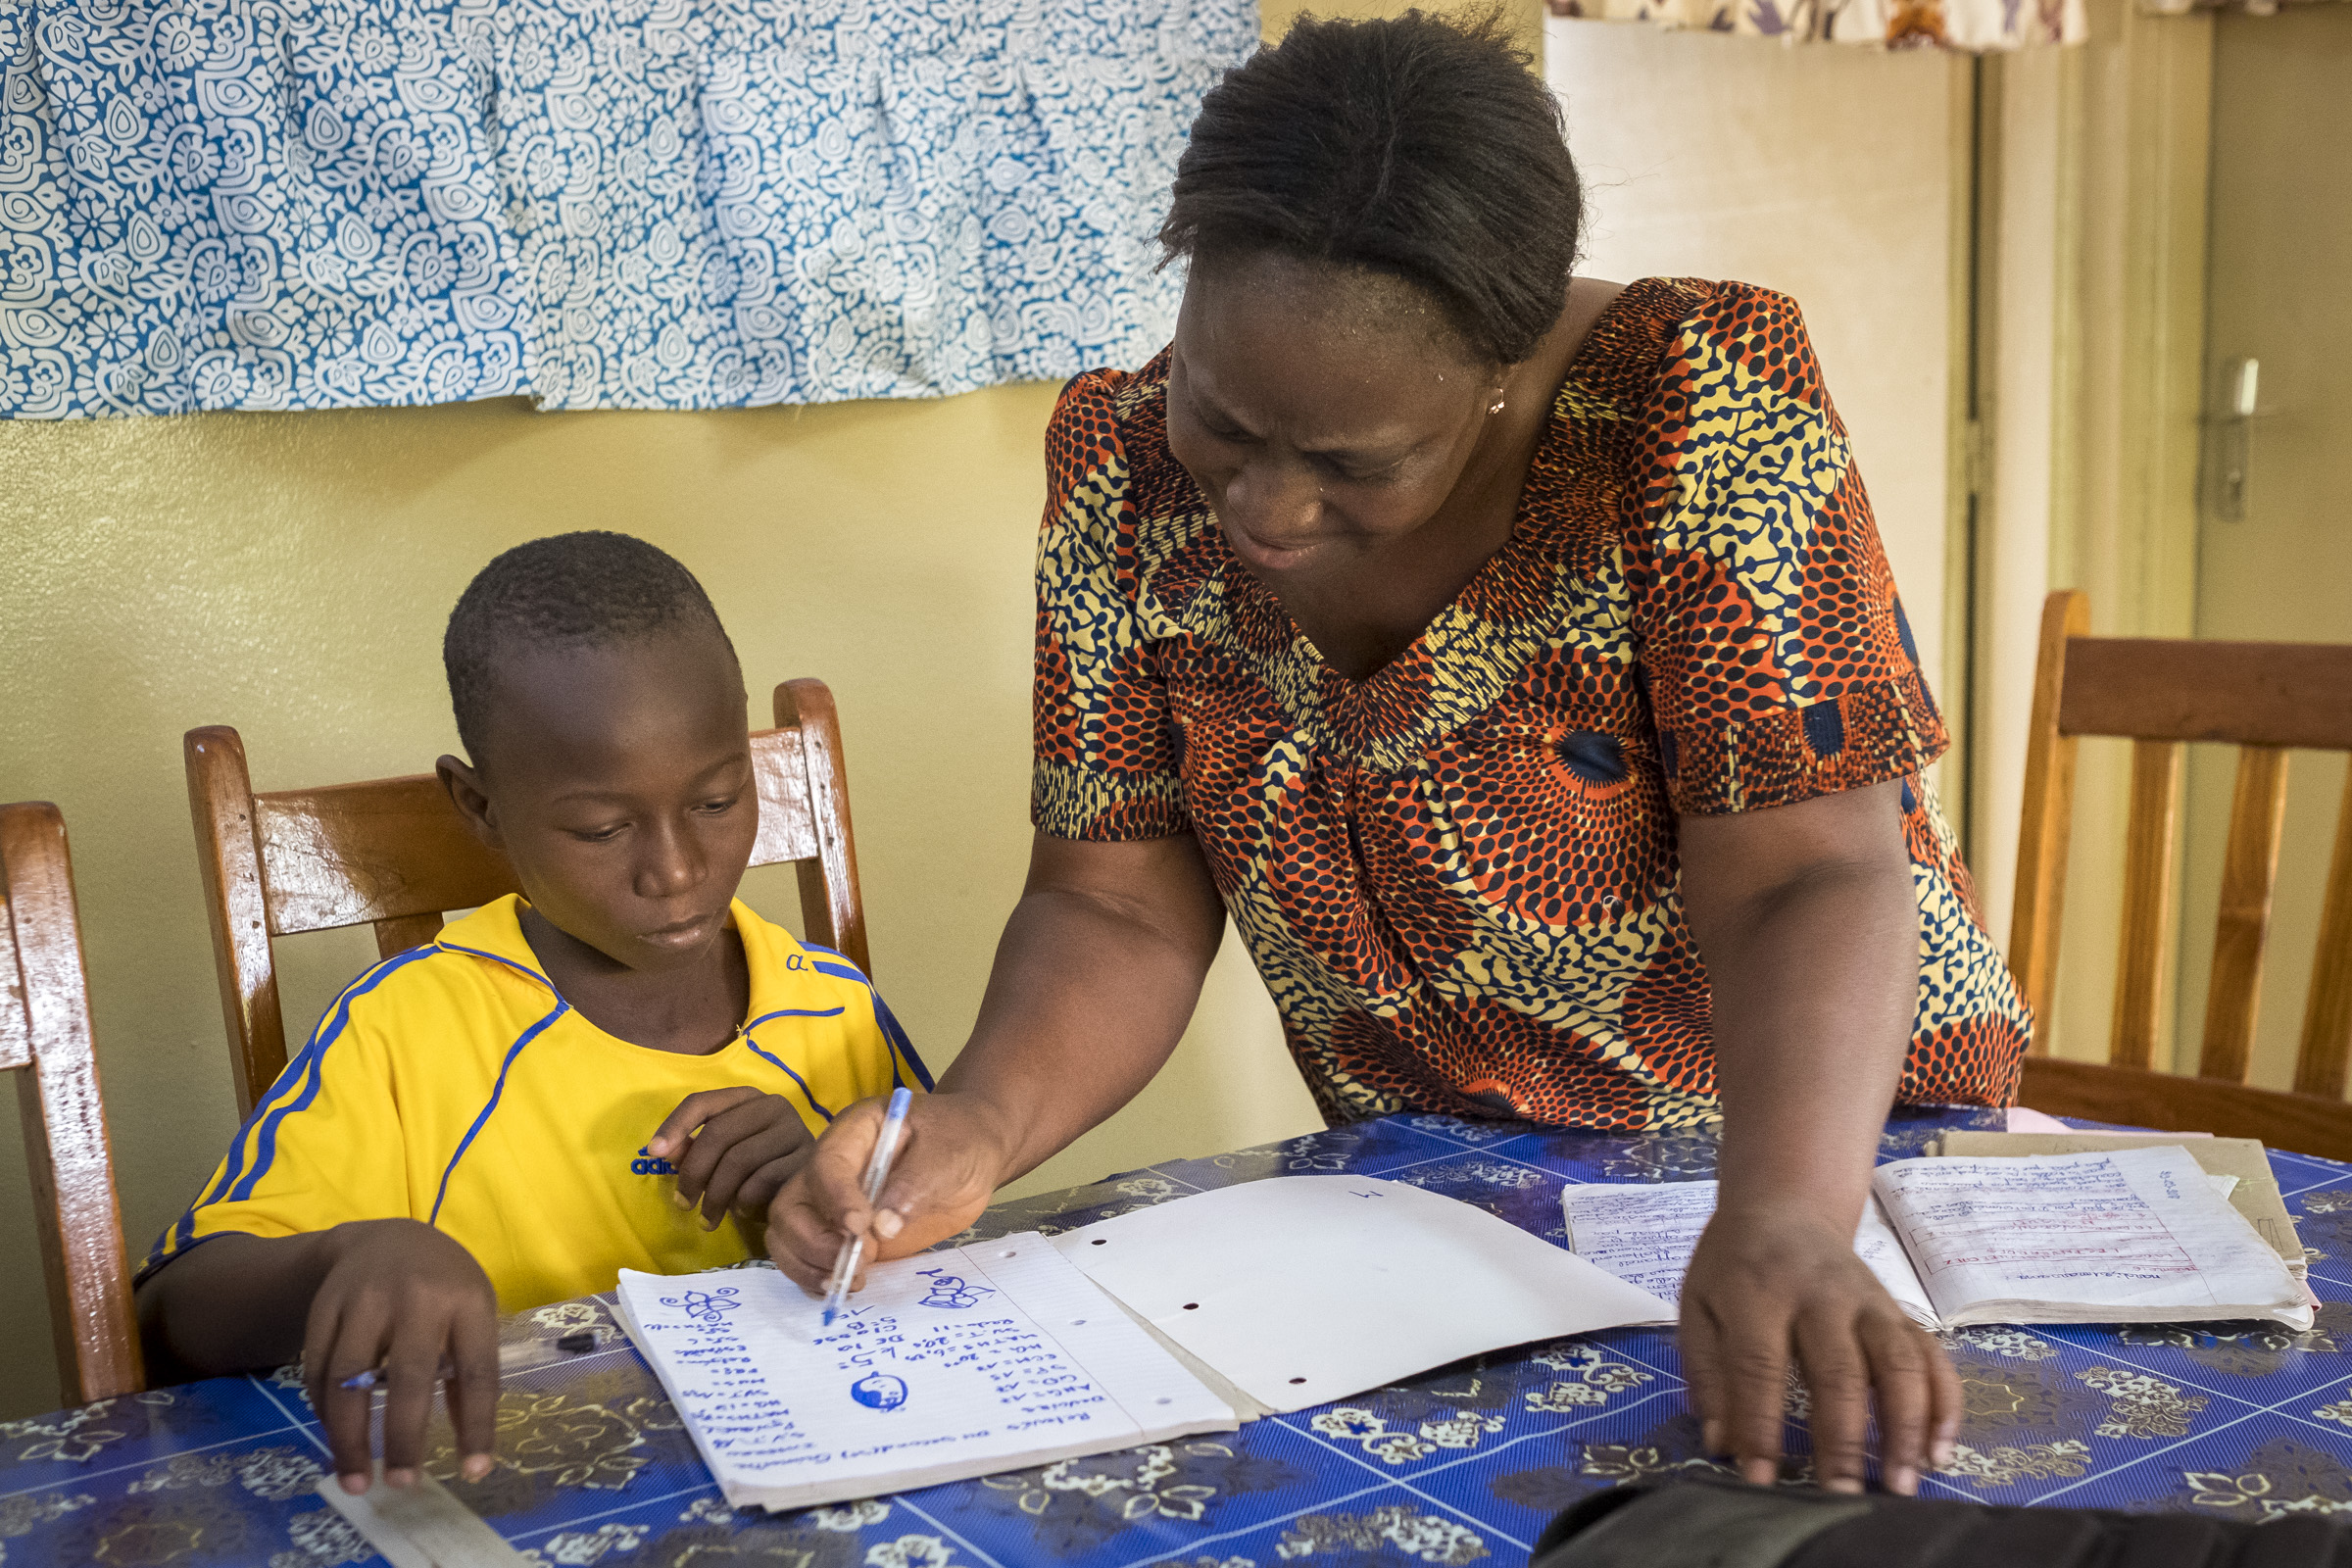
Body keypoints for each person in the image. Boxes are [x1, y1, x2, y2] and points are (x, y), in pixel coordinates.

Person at [766, 11, 2032, 1497]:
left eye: (1356, 465)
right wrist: (978, 1118)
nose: (1267, 511)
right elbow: (1111, 902)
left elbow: (1807, 876)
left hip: (1827, 1166)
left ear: (1503, 365)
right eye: (1222, 422)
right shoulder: (1115, 463)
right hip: (1443, 1206)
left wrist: (1792, 1215)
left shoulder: (1693, 398)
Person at [136, 531, 927, 1496]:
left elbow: (947, 1263)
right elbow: (169, 1320)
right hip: (520, 1498)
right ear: (477, 806)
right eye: (601, 828)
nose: (676, 869)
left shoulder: (834, 1008)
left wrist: (827, 1189)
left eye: (719, 800)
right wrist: (347, 1256)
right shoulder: (406, 1031)